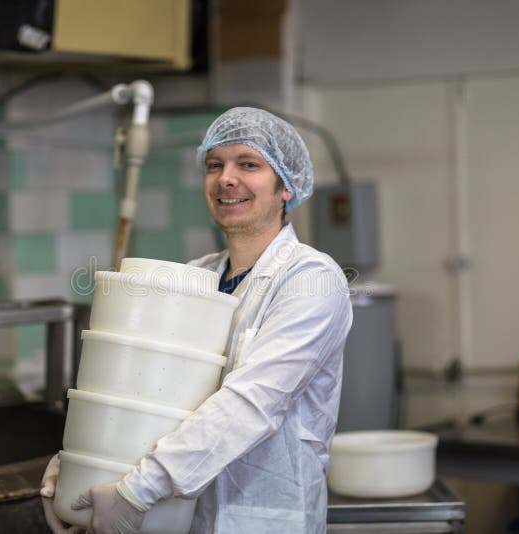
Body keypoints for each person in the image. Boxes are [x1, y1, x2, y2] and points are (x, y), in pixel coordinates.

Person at [41, 107, 353, 534]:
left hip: (259, 521)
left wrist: (134, 494)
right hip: (176, 519)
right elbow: (132, 385)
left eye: (248, 164)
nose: (226, 178)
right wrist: (75, 469)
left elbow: (250, 404)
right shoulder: (197, 276)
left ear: (285, 186)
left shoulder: (311, 282)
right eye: (214, 165)